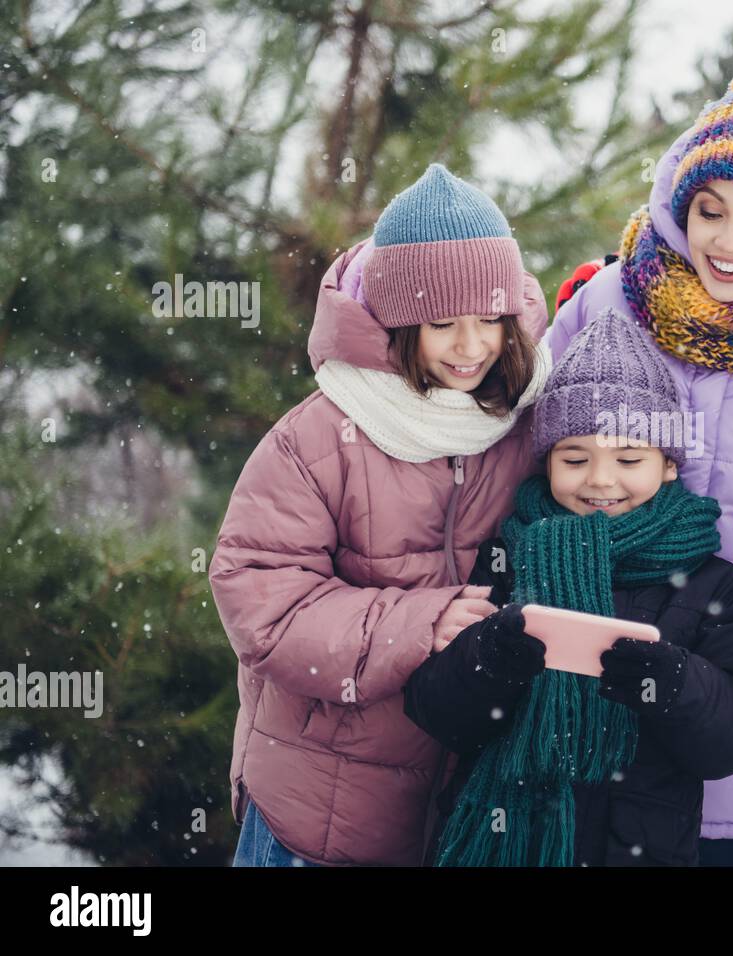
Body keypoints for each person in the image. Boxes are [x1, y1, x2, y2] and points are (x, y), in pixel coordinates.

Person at [544, 48, 733, 866]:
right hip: (580, 655)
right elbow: (520, 444)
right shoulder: (610, 299)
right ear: (681, 206)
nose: (731, 242)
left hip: (725, 679)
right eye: (711, 210)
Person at [210, 164, 552, 865]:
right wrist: (419, 622)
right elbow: (261, 602)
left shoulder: (523, 423)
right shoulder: (321, 435)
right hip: (318, 810)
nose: (471, 346)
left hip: (452, 808)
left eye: (490, 320)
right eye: (442, 323)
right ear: (396, 322)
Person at [403, 308, 733, 866]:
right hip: (501, 844)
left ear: (670, 465)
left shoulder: (715, 584)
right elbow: (437, 712)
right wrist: (489, 660)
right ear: (548, 462)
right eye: (574, 458)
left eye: (629, 458)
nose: (600, 480)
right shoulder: (510, 556)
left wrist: (678, 682)